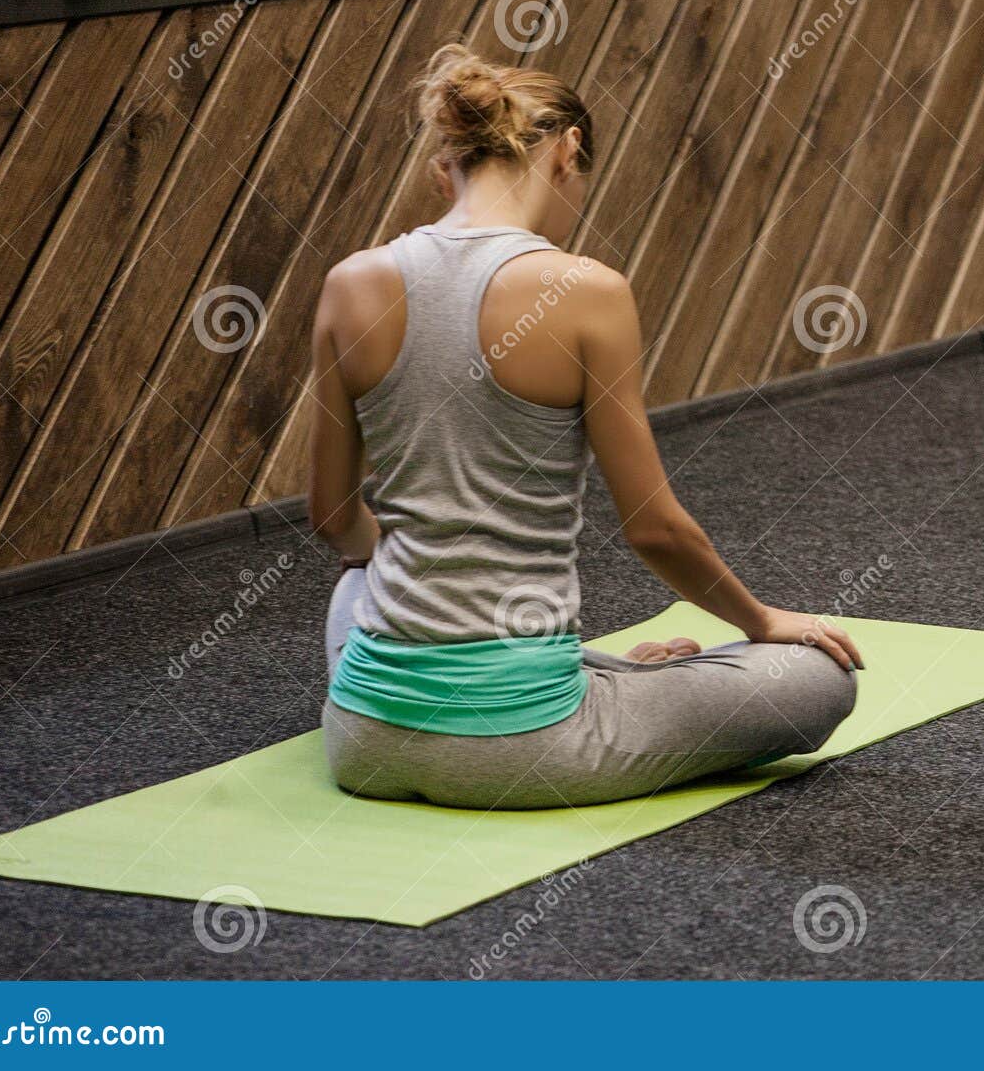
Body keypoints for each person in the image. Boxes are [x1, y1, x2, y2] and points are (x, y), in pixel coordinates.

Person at [307, 43, 861, 810]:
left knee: (362, 579)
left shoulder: (348, 283)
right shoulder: (586, 290)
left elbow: (334, 517)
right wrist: (762, 620)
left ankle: (584, 675)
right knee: (822, 676)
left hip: (363, 740)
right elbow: (655, 529)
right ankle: (613, 683)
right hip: (527, 748)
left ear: (444, 170)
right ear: (568, 151)